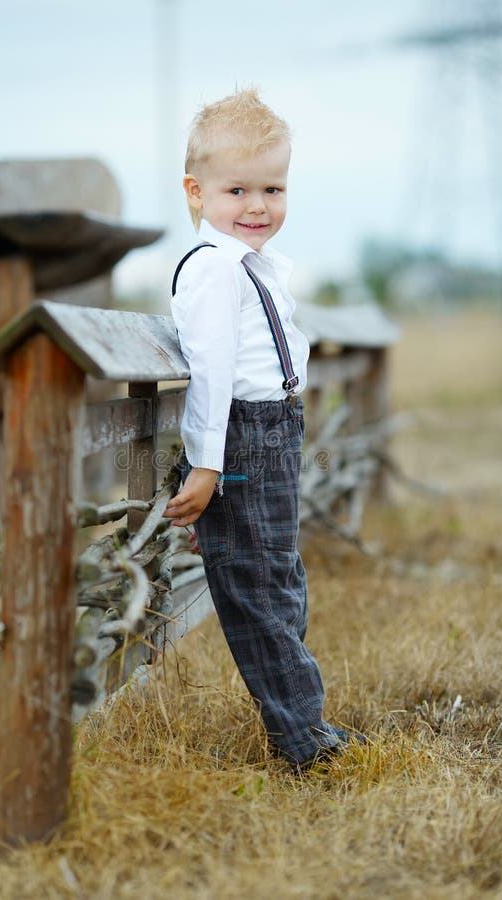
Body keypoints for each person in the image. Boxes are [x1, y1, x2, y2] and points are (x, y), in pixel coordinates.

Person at [163, 87, 364, 768]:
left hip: (273, 428)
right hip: (241, 439)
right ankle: (301, 736)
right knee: (254, 587)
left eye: (272, 188)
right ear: (196, 193)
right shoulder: (211, 271)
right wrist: (207, 465)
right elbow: (212, 374)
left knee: (279, 578)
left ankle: (299, 719)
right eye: (237, 189)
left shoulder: (256, 266)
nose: (257, 206)